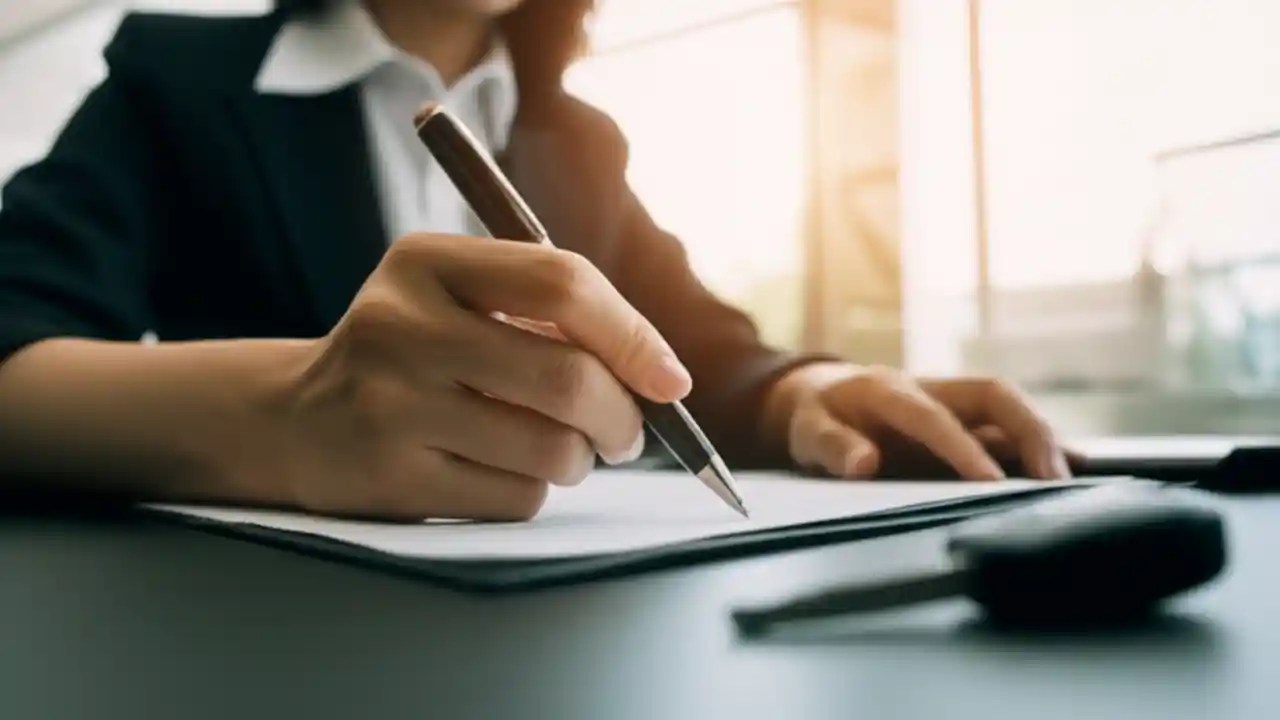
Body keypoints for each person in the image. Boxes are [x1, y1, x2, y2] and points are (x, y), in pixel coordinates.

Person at [0, 0, 1069, 521]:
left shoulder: (576, 140)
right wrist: (288, 412)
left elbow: (692, 344)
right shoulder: (177, 81)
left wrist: (811, 391)